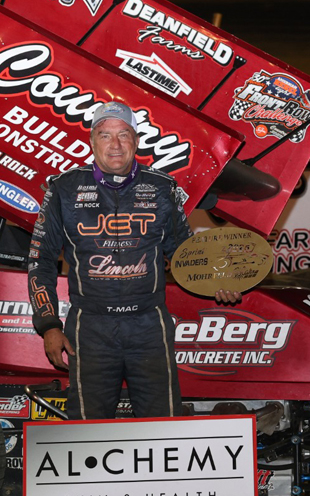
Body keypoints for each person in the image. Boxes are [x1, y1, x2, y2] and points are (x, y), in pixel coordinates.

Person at [27, 101, 238, 420]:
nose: (115, 144)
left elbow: (185, 253)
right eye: (105, 135)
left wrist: (217, 281)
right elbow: (40, 261)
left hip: (149, 325)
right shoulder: (64, 189)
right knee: (88, 429)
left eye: (123, 135)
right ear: (92, 141)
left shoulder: (162, 187)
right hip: (90, 327)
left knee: (162, 425)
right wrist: (49, 325)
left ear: (136, 141)